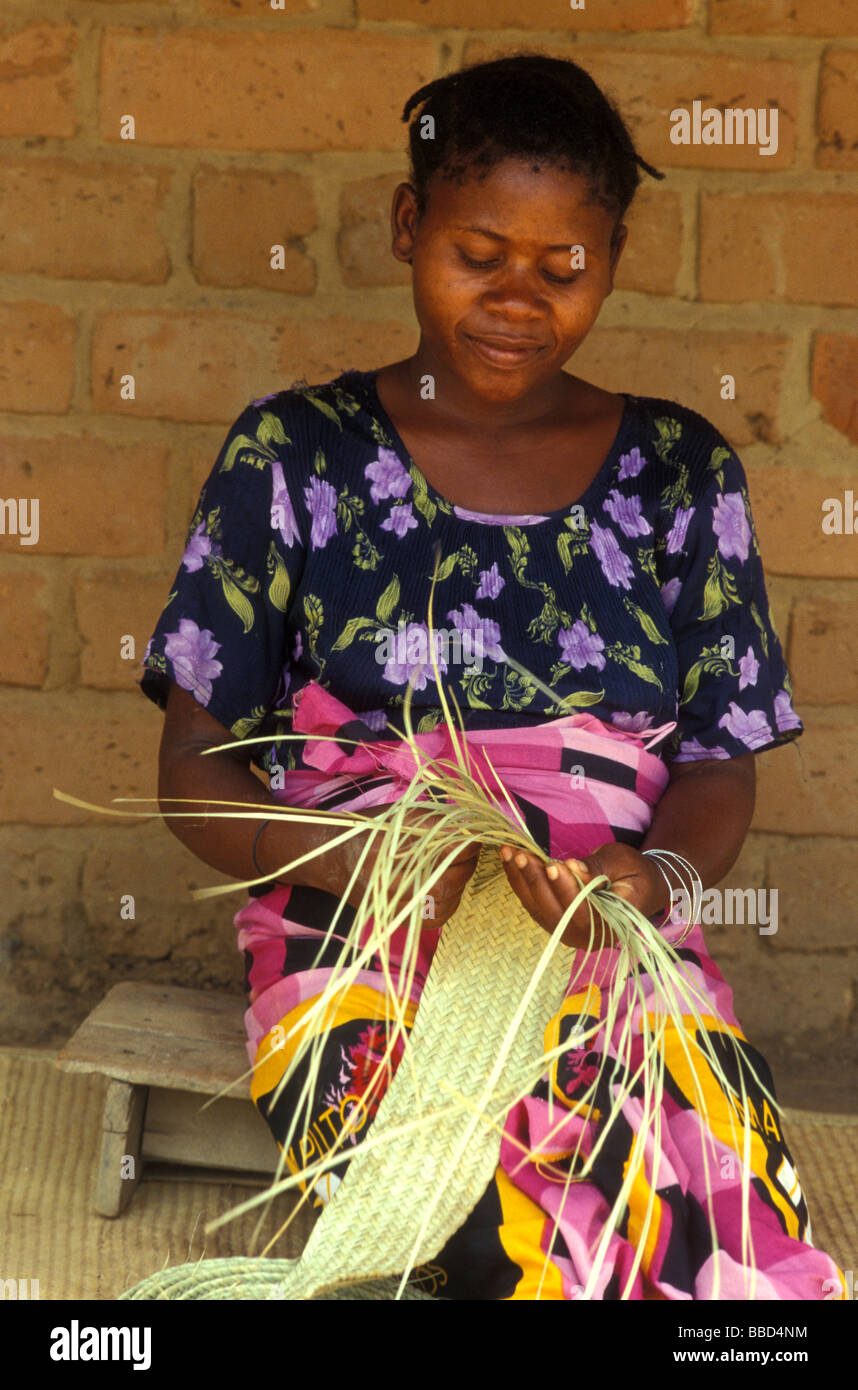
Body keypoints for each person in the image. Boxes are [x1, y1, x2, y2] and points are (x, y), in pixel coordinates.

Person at [139, 54, 844, 1300]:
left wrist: (653, 876)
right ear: (409, 226)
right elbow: (195, 772)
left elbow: (720, 761)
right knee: (458, 1206)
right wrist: (386, 865)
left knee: (714, 1204)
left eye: (563, 267)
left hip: (595, 922)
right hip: (360, 921)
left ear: (613, 256)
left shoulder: (680, 471)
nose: (519, 298)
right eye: (480, 253)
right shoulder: (297, 454)